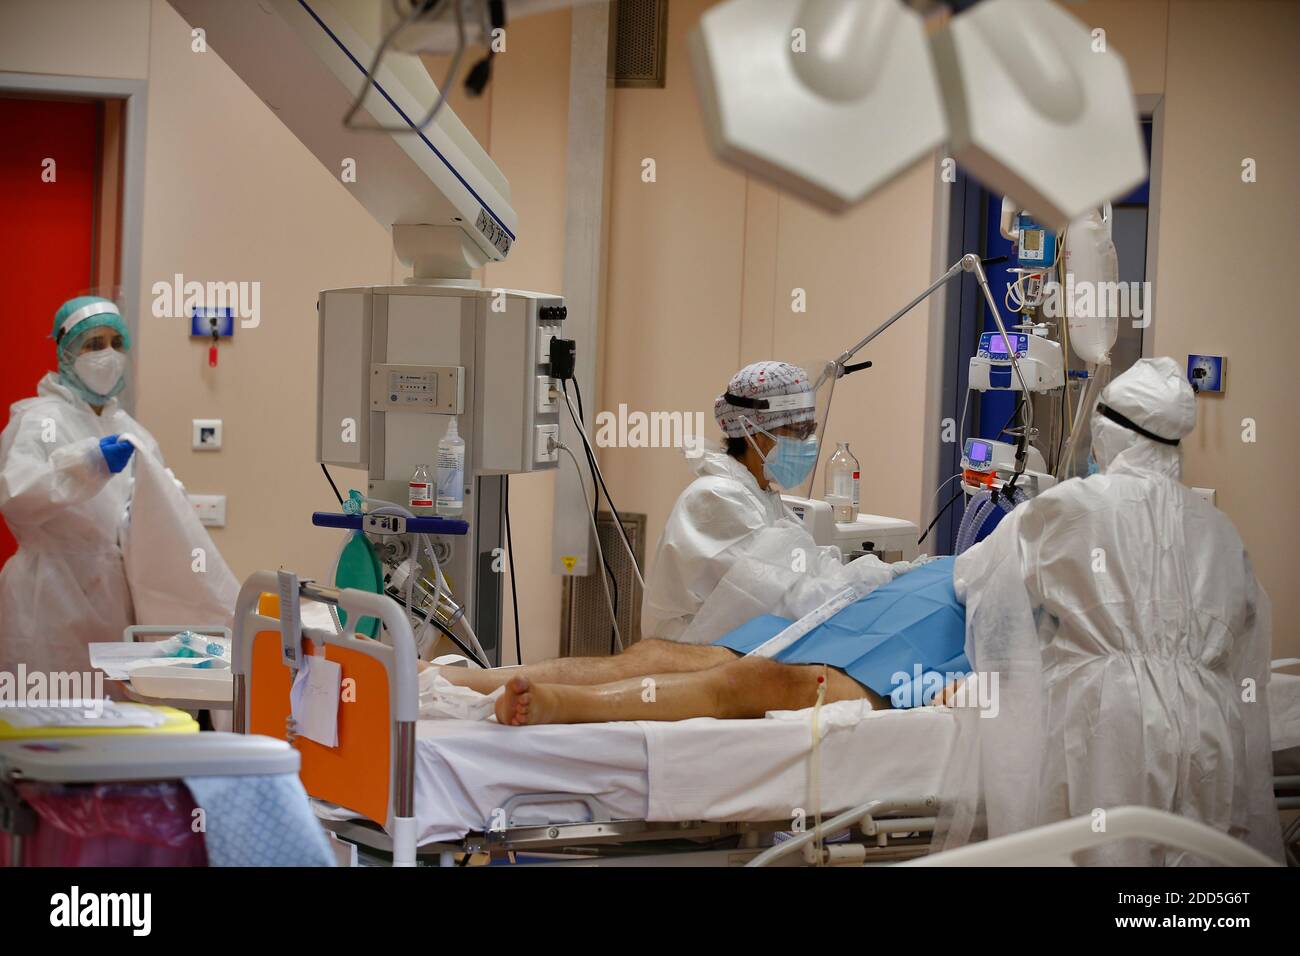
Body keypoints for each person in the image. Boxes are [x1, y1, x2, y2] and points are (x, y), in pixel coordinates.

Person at [935, 357, 1282, 864]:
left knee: (1108, 855)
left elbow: (978, 576)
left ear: (1109, 433)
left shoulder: (1069, 508)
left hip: (1109, 725)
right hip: (1210, 729)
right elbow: (1247, 642)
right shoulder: (1219, 530)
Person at [0, 296, 165, 676]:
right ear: (67, 351)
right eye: (94, 344)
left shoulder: (133, 432)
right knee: (47, 716)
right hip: (48, 595)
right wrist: (88, 464)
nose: (108, 354)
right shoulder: (38, 420)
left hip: (114, 597)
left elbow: (161, 511)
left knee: (112, 715)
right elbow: (16, 495)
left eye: (116, 343)